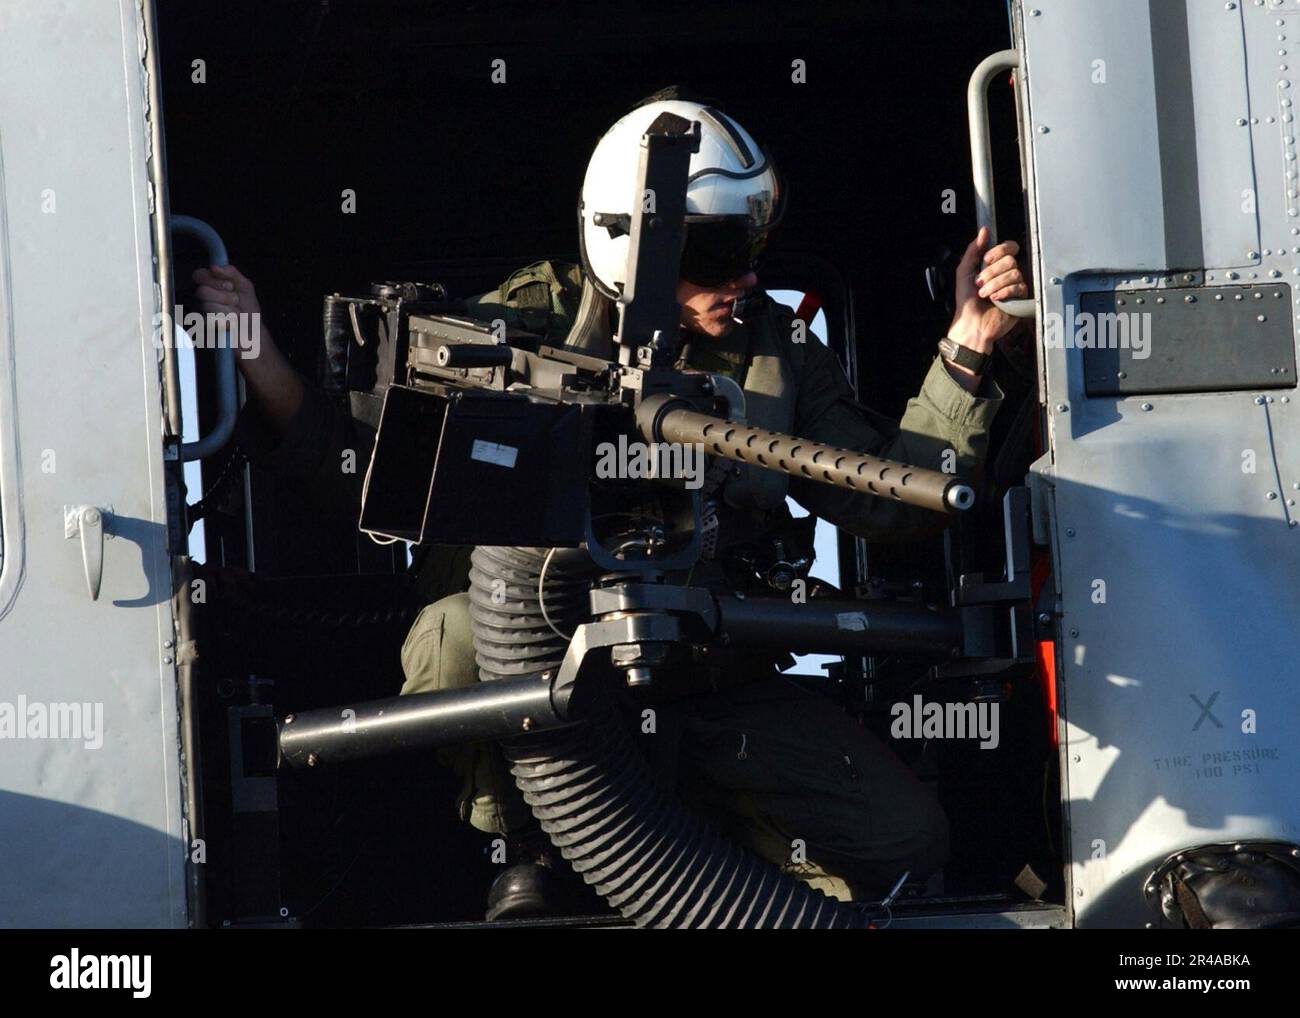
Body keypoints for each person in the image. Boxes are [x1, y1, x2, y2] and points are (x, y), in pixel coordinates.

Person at [192, 92, 1028, 920]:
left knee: (904, 841)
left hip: (710, 681)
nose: (746, 276)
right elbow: (364, 472)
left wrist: (969, 345)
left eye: (754, 247)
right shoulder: (526, 323)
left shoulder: (777, 350)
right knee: (449, 639)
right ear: (633, 245)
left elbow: (895, 500)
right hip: (545, 679)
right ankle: (530, 851)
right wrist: (257, 349)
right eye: (718, 253)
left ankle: (701, 875)